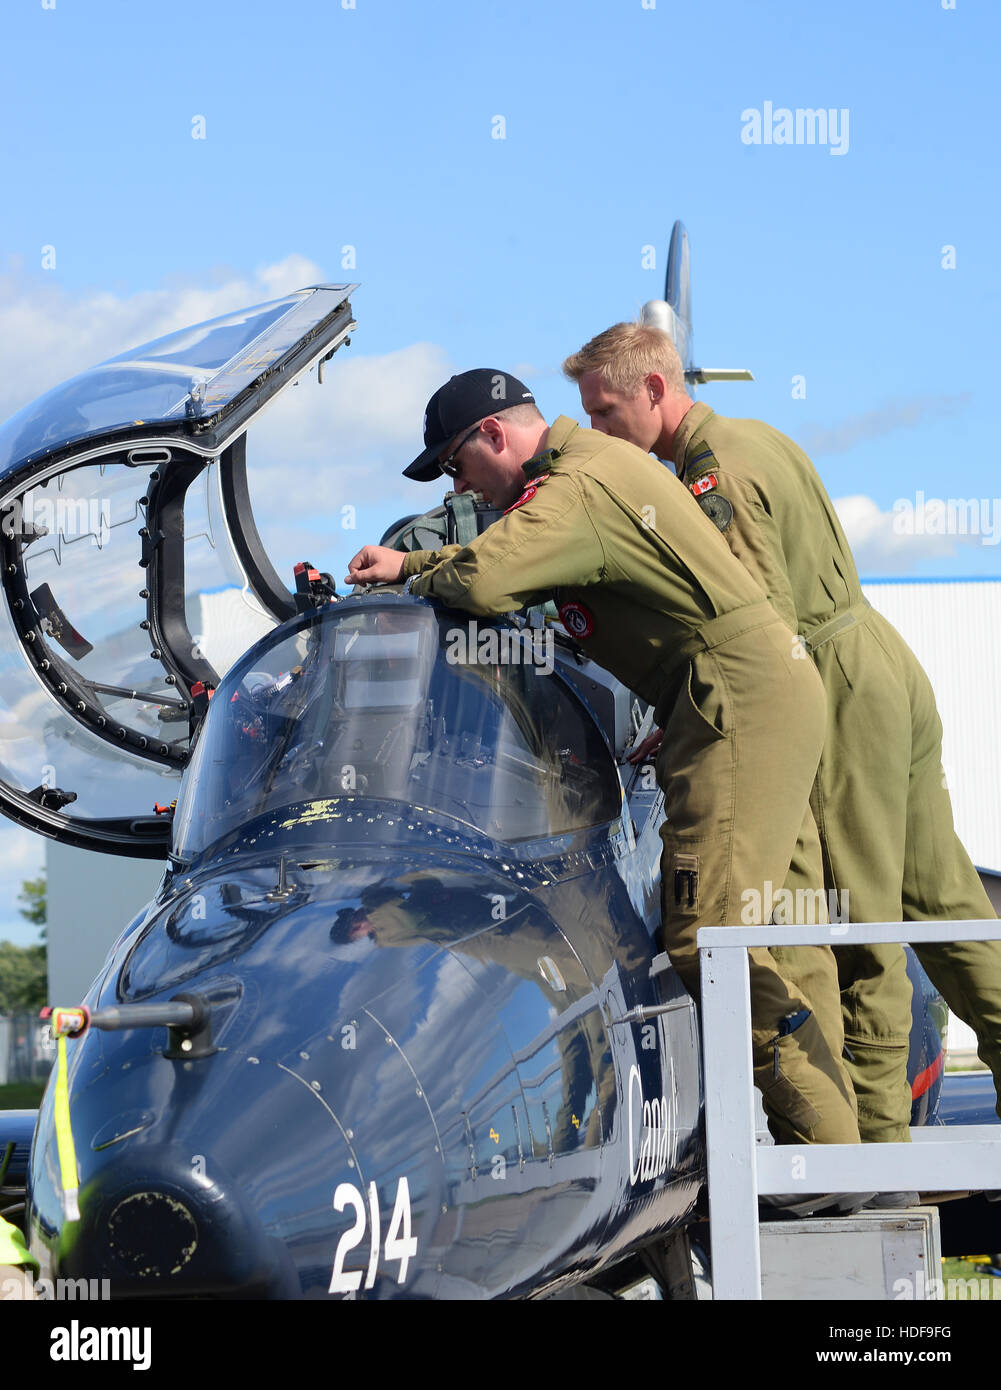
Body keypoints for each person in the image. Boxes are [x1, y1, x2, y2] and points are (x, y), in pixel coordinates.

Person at [346, 368, 861, 1146]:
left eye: (457, 465)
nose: (460, 485)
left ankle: (822, 1145)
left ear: (495, 436)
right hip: (732, 697)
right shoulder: (593, 467)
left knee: (706, 939)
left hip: (733, 704)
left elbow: (486, 579)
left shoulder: (572, 492)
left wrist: (412, 568)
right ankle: (835, 1139)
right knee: (747, 928)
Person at [563, 321, 1001, 1139]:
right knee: (942, 905)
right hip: (878, 663)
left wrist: (714, 709)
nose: (596, 433)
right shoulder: (759, 434)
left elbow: (759, 622)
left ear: (655, 390)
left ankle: (872, 1159)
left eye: (606, 410)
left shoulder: (707, 475)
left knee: (854, 927)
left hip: (826, 689)